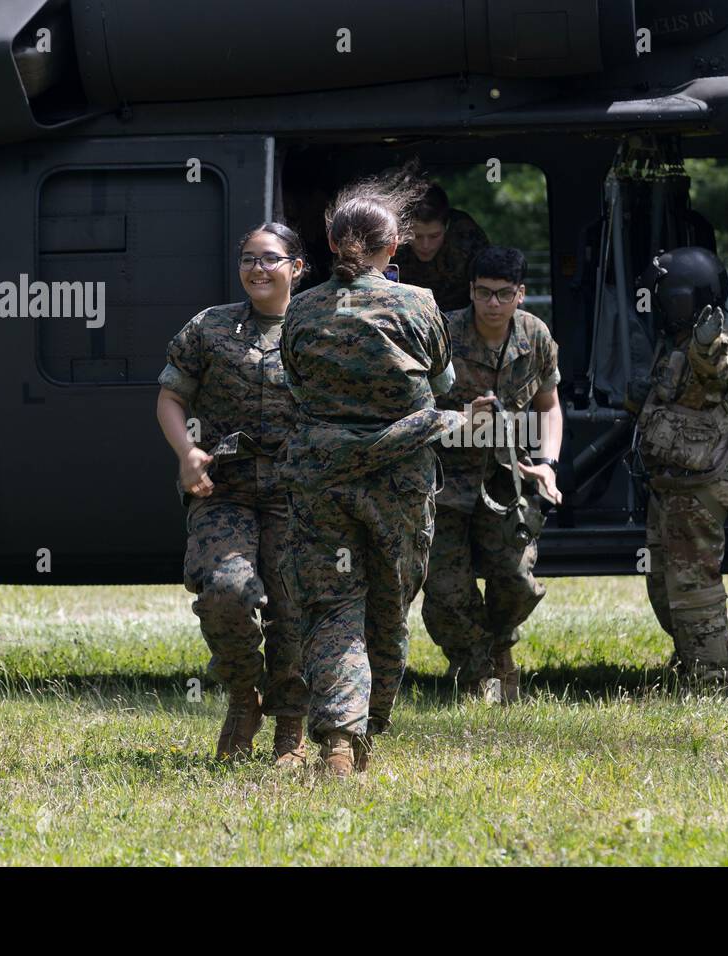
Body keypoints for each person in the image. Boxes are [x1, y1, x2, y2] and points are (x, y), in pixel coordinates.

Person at [280, 173, 494, 777]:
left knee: (331, 605)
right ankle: (369, 723)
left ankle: (339, 740)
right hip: (399, 481)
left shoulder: (300, 311)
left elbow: (296, 389)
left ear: (330, 241)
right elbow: (444, 387)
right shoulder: (418, 306)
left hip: (321, 481)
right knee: (390, 604)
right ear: (392, 245)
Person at [155, 222, 310, 764]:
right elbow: (171, 398)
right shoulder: (212, 327)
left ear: (297, 267)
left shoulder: (320, 328)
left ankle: (291, 726)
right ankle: (244, 699)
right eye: (247, 258)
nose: (256, 269)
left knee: (293, 610)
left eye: (269, 259)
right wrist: (187, 453)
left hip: (298, 493)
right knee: (225, 591)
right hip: (225, 489)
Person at [422, 246, 563, 702]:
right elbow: (415, 405)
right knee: (445, 588)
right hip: (444, 478)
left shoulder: (535, 336)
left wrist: (548, 464)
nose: (493, 303)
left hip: (507, 477)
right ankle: (476, 667)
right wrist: (463, 416)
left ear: (521, 294)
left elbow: (550, 407)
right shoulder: (443, 332)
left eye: (504, 294)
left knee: (516, 579)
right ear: (471, 291)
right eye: (484, 293)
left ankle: (500, 645)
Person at [635, 247, 728, 685]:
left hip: (700, 485)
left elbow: (717, 369)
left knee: (693, 588)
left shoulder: (715, 347)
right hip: (671, 483)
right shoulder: (673, 348)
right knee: (665, 586)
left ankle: (714, 679)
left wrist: (706, 343)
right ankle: (692, 659)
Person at [394, 183, 490, 312]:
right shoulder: (393, 239)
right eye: (417, 236)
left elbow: (488, 287)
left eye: (434, 236)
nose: (425, 245)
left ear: (447, 226)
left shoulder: (467, 237)